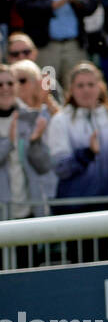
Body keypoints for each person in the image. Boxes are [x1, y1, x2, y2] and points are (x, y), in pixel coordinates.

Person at [45, 63, 108, 261]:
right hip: (76, 210)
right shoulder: (61, 120)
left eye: (90, 84)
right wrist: (86, 153)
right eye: (80, 85)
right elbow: (61, 168)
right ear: (72, 89)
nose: (86, 90)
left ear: (100, 86)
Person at [0, 62, 53, 227]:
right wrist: (8, 141)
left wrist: (35, 142)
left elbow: (44, 166)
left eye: (10, 83)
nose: (5, 88)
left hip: (28, 210)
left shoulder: (30, 118)